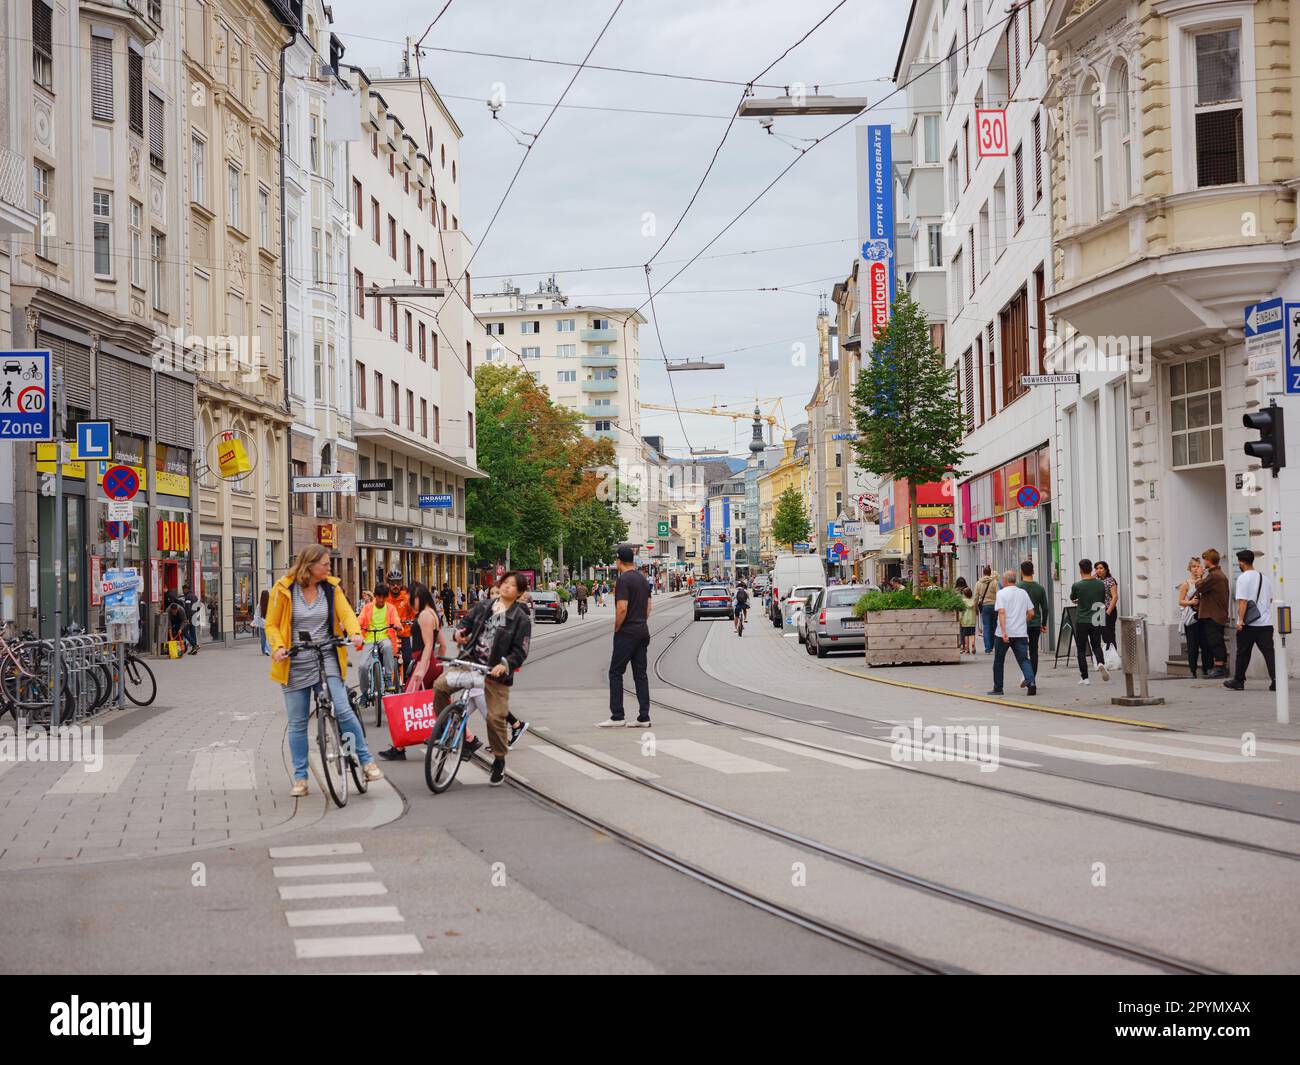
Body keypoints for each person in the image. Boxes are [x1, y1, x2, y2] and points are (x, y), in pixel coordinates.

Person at [267, 544, 382, 797]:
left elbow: (347, 615)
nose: (329, 568)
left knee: (342, 707)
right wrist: (277, 647)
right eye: (325, 564)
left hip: (326, 654)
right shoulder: (283, 589)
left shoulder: (331, 588)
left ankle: (367, 761)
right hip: (294, 660)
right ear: (309, 565)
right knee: (297, 722)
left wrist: (354, 633)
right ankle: (300, 778)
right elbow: (272, 625)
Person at [432, 571, 532, 786]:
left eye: (512, 585)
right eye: (504, 583)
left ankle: (499, 759)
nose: (506, 587)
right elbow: (466, 622)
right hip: (469, 663)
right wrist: (459, 631)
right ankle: (445, 729)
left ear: (520, 592)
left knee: (496, 717)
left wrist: (503, 665)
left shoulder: (521, 619)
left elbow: (520, 651)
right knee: (440, 686)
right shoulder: (484, 606)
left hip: (494, 675)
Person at [378, 583, 449, 761]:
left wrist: (421, 669)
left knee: (407, 703)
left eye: (411, 599)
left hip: (422, 663)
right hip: (432, 663)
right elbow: (443, 645)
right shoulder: (433, 613)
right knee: (442, 703)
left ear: (419, 596)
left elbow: (428, 645)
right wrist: (437, 663)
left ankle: (399, 748)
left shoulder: (424, 615)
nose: (410, 603)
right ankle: (469, 739)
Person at [598, 546, 653, 727]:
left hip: (627, 633)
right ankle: (644, 717)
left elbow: (622, 608)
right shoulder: (643, 579)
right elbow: (648, 607)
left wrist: (617, 627)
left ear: (618, 561)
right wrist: (640, 621)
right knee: (640, 674)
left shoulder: (623, 581)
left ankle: (617, 716)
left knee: (615, 672)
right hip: (642, 631)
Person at [1225, 549, 1276, 692]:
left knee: (1243, 653)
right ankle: (1276, 680)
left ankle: (1238, 681)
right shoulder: (1264, 578)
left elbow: (1243, 602)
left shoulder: (1243, 578)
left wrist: (1240, 620)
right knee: (1269, 653)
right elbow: (1270, 599)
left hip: (1249, 624)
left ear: (1241, 562)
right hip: (1266, 623)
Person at [989, 570, 1036, 696]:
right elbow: (1031, 613)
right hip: (1020, 633)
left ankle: (998, 688)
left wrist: (1004, 631)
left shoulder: (1001, 594)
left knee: (999, 661)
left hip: (1003, 633)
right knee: (1024, 659)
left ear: (1004, 581)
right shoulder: (1023, 593)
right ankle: (1031, 682)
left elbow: (1002, 612)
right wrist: (1023, 621)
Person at [1070, 559, 1110, 685]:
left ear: (1081, 570)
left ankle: (1085, 677)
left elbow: (1073, 597)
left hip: (1082, 619)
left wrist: (1079, 600)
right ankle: (1100, 662)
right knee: (1096, 645)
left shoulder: (1077, 585)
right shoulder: (1100, 584)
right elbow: (1101, 599)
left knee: (1081, 649)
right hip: (1097, 618)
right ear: (1091, 569)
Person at [357, 585, 399, 702]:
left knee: (387, 646)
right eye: (379, 597)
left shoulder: (390, 608)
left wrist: (397, 625)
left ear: (386, 598)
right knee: (363, 667)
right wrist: (356, 627)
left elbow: (396, 619)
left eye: (384, 598)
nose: (381, 600)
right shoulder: (367, 608)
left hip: (384, 636)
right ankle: (364, 693)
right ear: (375, 596)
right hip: (369, 639)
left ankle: (388, 677)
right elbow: (360, 619)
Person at [1195, 548, 1230, 679]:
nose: (1203, 562)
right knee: (1216, 640)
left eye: (1204, 559)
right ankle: (1221, 666)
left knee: (1215, 641)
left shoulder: (1214, 576)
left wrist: (1199, 576)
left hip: (1214, 614)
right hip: (1216, 613)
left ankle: (1219, 667)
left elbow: (1199, 586)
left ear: (1208, 560)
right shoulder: (1216, 574)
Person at [1178, 557, 1212, 678]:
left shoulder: (1206, 581)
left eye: (1198, 566)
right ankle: (1192, 670)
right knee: (1192, 645)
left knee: (1206, 644)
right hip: (1192, 617)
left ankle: (1206, 669)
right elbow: (1181, 601)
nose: (1196, 568)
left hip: (1204, 616)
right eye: (1193, 566)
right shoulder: (1186, 584)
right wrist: (1191, 602)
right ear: (1189, 569)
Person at [1017, 560, 1049, 686]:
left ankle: (1026, 676)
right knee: (1034, 651)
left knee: (1022, 651)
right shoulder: (1040, 588)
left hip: (1022, 624)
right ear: (1033, 571)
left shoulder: (1018, 587)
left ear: (1022, 572)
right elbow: (1045, 608)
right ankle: (1032, 678)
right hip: (1036, 623)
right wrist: (1044, 623)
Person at [386, 569, 415, 685]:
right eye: (392, 583)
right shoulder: (385, 598)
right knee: (385, 658)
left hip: (404, 633)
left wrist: (415, 621)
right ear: (389, 584)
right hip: (388, 634)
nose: (395, 586)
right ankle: (386, 679)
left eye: (398, 583)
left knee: (408, 659)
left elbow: (414, 613)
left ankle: (407, 683)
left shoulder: (407, 598)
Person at [971, 566, 999, 654]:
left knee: (986, 626)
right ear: (990, 573)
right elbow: (999, 595)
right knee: (994, 626)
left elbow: (975, 597)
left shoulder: (978, 583)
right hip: (994, 606)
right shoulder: (995, 582)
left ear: (983, 573)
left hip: (984, 606)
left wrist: (975, 608)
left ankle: (988, 648)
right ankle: (993, 645)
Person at [1095, 560, 1120, 653]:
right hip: (1098, 610)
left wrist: (1108, 612)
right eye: (1097, 568)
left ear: (1106, 569)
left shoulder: (1110, 580)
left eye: (1101, 568)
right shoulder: (1096, 581)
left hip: (1109, 610)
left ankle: (1113, 657)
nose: (1099, 570)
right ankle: (1106, 656)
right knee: (1103, 635)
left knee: (1110, 635)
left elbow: (1115, 597)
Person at [181, 584, 200, 653]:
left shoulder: (188, 597)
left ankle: (194, 644)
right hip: (194, 616)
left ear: (186, 589)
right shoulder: (194, 596)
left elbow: (187, 608)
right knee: (192, 632)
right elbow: (199, 607)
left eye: (183, 590)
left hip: (190, 617)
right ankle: (194, 649)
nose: (183, 592)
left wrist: (188, 618)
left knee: (184, 631)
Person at [959, 586, 977, 654]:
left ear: (964, 594)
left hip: (965, 621)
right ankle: (973, 644)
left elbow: (961, 612)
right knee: (972, 634)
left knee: (966, 635)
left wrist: (960, 619)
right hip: (972, 620)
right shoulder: (974, 601)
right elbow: (975, 610)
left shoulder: (963, 601)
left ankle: (967, 649)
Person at [253, 589, 270, 655]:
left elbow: (257, 614)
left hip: (262, 623)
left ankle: (263, 650)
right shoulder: (270, 603)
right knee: (268, 637)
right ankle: (267, 650)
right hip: (268, 622)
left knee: (263, 637)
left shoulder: (260, 604)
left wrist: (254, 623)